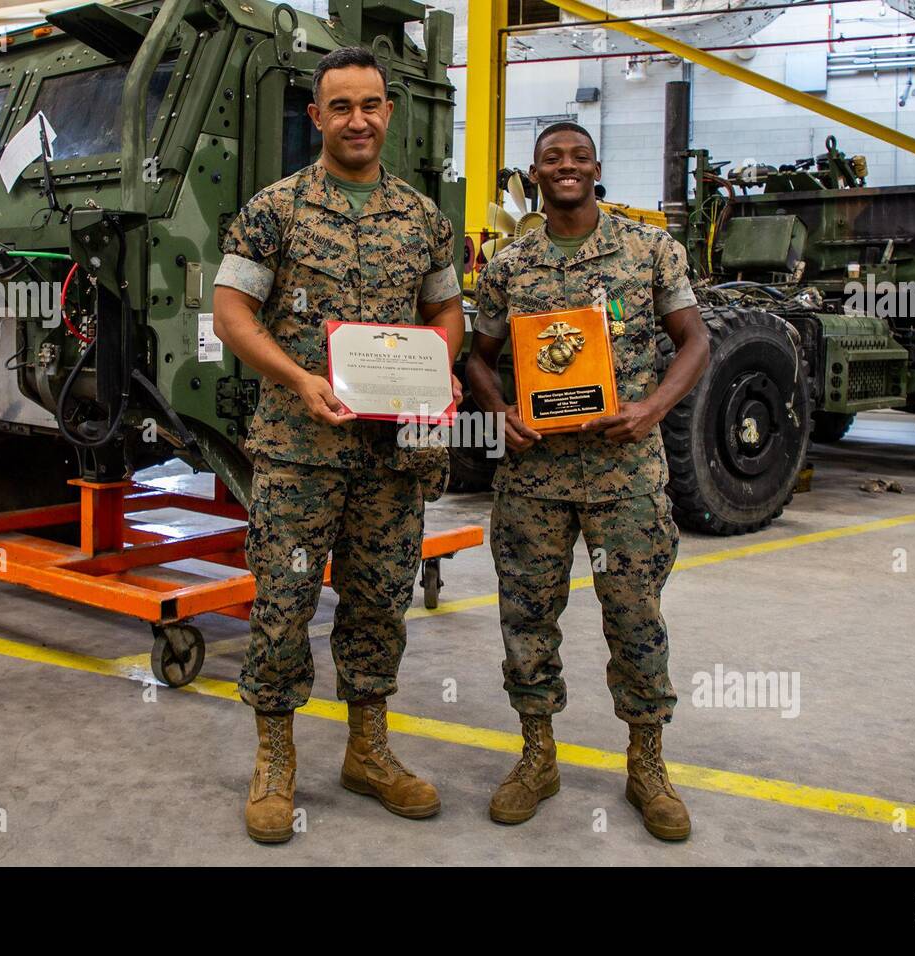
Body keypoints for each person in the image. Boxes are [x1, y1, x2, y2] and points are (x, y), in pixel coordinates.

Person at [212, 46, 463, 844]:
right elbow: (230, 315)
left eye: (372, 104)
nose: (358, 119)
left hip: (392, 456)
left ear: (390, 113)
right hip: (298, 453)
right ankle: (276, 762)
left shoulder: (423, 218)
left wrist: (439, 370)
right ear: (316, 117)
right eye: (341, 106)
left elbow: (446, 313)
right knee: (283, 606)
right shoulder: (274, 210)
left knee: (380, 603)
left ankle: (368, 751)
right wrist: (298, 379)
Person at [466, 122, 710, 841]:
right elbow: (477, 355)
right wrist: (498, 409)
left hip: (624, 473)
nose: (565, 167)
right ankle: (537, 756)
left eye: (577, 156)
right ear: (533, 175)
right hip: (534, 477)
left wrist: (652, 408)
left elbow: (695, 339)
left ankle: (647, 764)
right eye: (551, 159)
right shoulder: (510, 266)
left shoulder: (648, 248)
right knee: (526, 620)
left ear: (595, 167)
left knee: (636, 620)